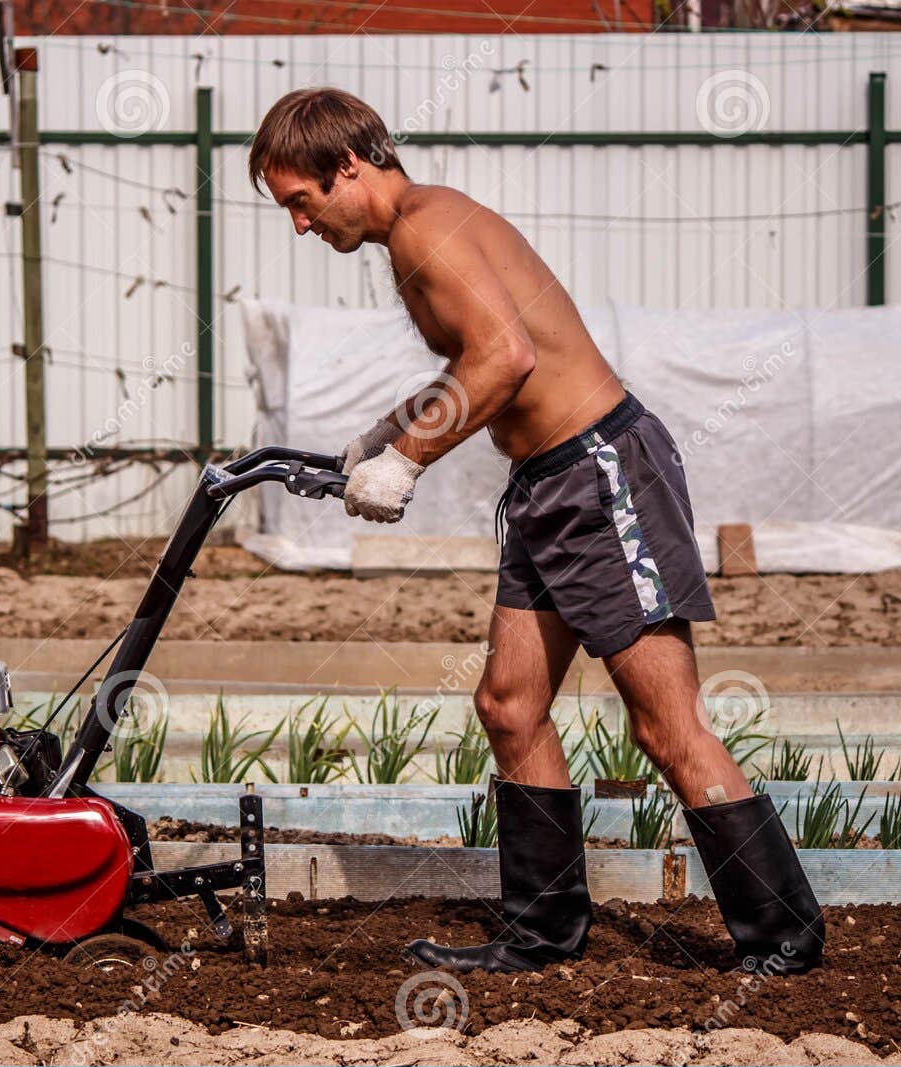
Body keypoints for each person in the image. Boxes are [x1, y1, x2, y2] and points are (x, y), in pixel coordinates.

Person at [248, 88, 824, 975]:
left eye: (301, 201)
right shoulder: (426, 225)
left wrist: (407, 460)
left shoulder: (423, 231)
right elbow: (476, 354)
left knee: (666, 725)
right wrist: (383, 431)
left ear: (348, 167)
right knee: (510, 706)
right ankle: (542, 934)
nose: (300, 224)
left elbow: (506, 358)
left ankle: (783, 934)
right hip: (549, 485)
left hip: (599, 475)